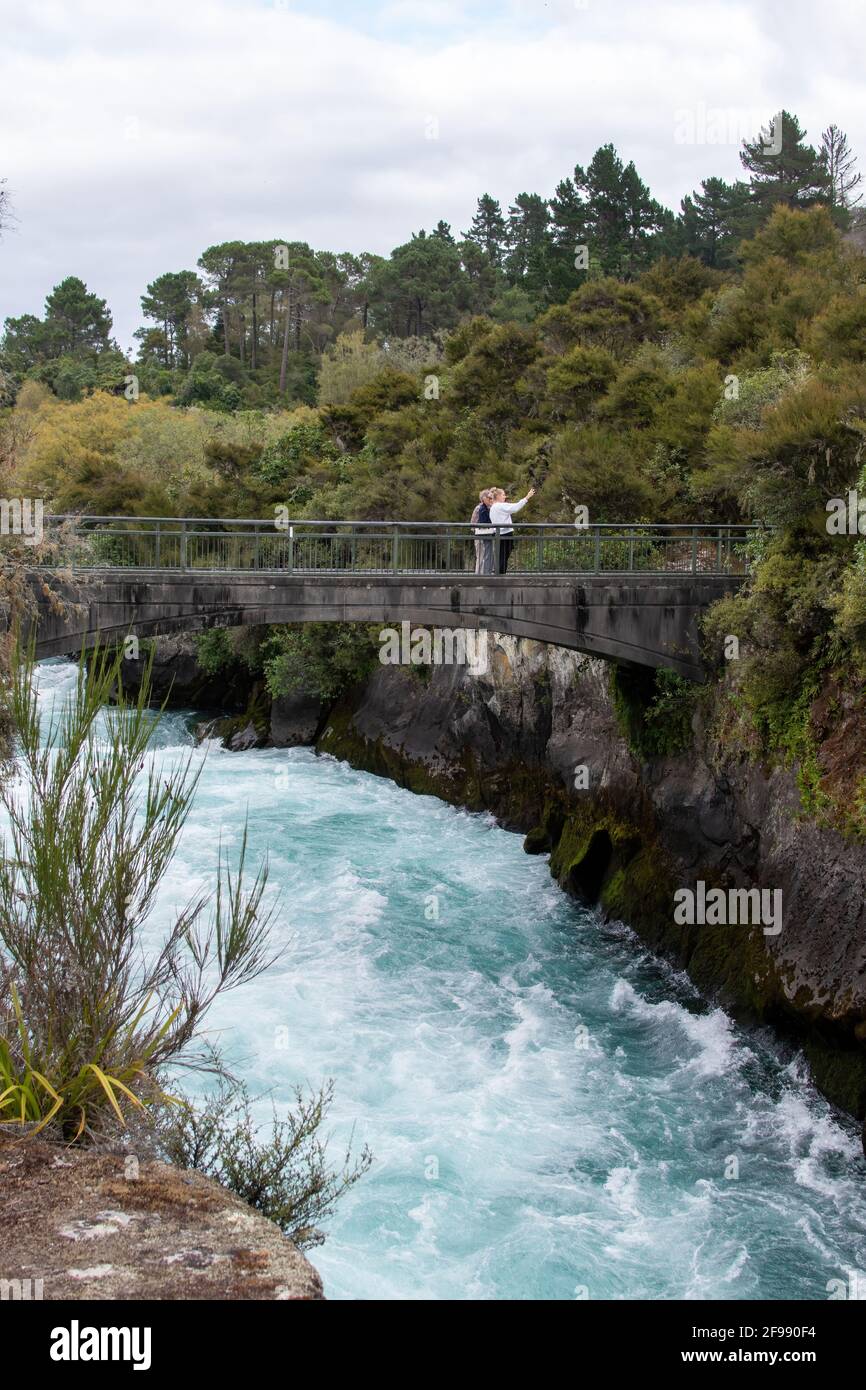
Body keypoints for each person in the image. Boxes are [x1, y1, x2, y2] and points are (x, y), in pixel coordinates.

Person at [489, 485, 536, 573]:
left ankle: (499, 575)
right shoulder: (500, 506)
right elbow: (515, 508)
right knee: (503, 556)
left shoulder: (493, 507)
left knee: (501, 556)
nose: (505, 496)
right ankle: (500, 576)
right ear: (498, 496)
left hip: (498, 534)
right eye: (503, 495)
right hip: (504, 534)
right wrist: (527, 497)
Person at [471, 488, 495, 575]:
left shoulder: (489, 507)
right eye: (489, 498)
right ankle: (478, 577)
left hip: (486, 534)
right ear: (484, 498)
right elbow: (473, 524)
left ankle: (484, 574)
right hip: (480, 535)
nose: (491, 499)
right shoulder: (479, 508)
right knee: (481, 556)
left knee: (487, 556)